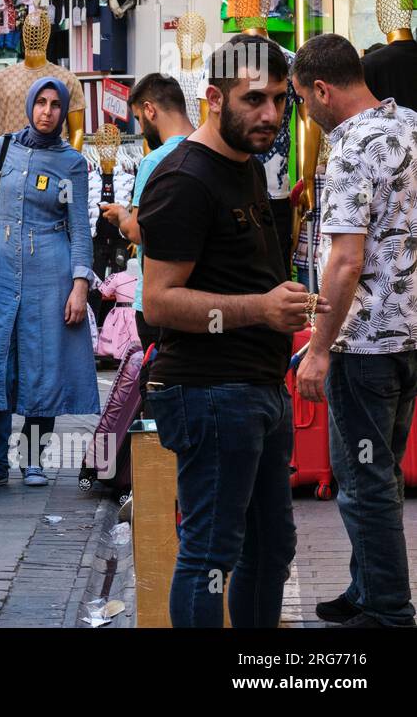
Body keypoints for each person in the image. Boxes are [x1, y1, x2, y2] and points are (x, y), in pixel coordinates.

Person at [137, 34, 310, 628]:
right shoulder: (185, 177)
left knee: (270, 548)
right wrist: (259, 309)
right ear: (213, 98)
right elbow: (158, 301)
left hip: (260, 386)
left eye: (280, 100)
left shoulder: (249, 167)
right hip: (210, 390)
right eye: (254, 99)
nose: (270, 115)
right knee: (211, 554)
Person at [290, 33, 417, 628]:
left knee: (364, 480)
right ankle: (367, 590)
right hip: (409, 335)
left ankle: (389, 610)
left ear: (321, 88)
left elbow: (345, 260)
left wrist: (317, 349)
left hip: (364, 341)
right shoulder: (410, 127)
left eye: (300, 101)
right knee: (380, 472)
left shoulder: (348, 147)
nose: (302, 114)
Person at [0, 78, 100, 488]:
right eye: (40, 103)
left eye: (55, 105)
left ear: (64, 112)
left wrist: (79, 285)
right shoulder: (3, 148)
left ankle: (32, 458)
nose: (47, 111)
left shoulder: (72, 163)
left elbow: (80, 229)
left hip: (51, 267)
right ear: (30, 106)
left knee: (42, 361)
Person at [99, 74, 196, 352]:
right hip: (197, 296)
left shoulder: (154, 160)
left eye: (140, 119)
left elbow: (139, 231)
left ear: (151, 110)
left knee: (154, 379)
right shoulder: (206, 149)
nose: (141, 129)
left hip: (156, 299)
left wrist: (121, 217)